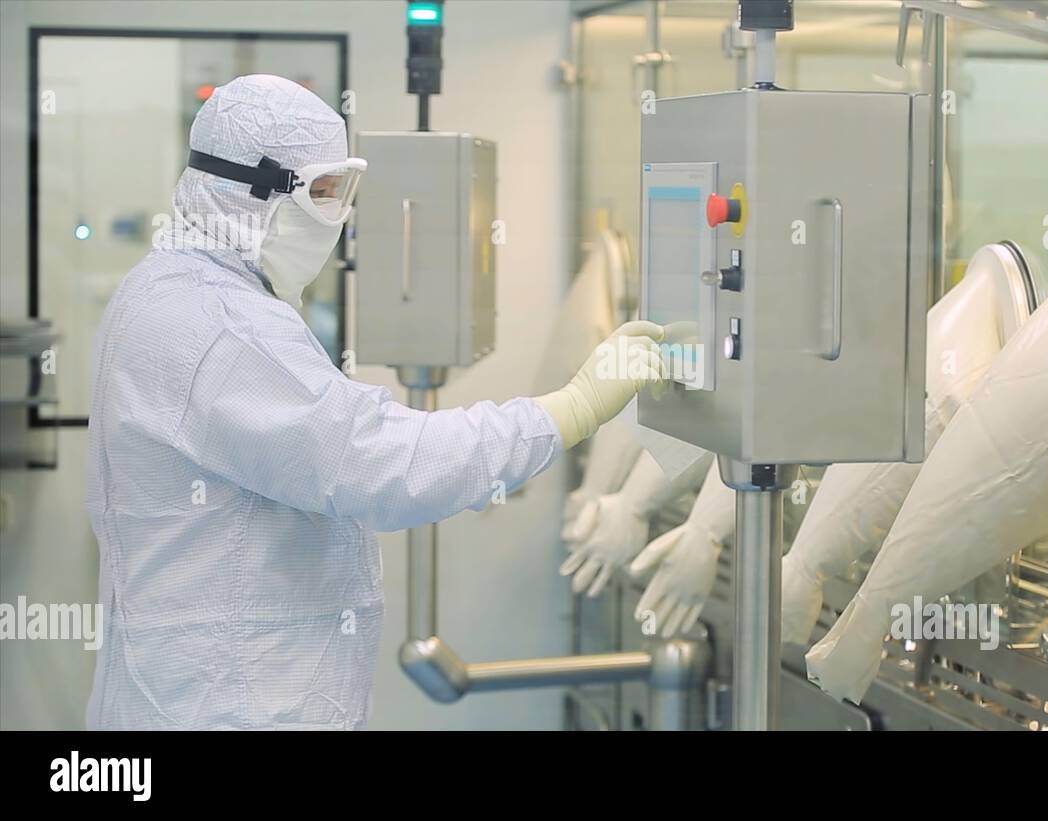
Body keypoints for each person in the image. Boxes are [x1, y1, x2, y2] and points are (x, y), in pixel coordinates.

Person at [83, 75, 665, 730]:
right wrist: (571, 408)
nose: (339, 217)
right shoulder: (221, 324)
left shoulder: (169, 285)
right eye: (326, 193)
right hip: (230, 708)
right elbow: (378, 461)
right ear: (254, 187)